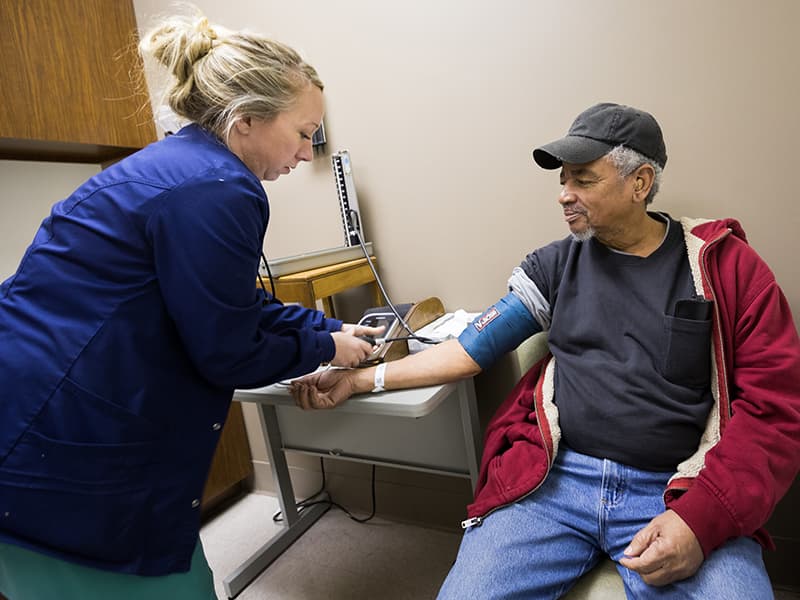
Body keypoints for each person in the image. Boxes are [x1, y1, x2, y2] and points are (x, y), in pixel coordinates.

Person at [291, 102, 800, 598]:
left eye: (583, 178)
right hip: (555, 484)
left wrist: (701, 518)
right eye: (562, 180)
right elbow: (470, 350)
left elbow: (774, 411)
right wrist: (359, 379)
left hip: (676, 487)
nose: (564, 194)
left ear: (640, 182)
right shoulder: (555, 266)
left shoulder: (725, 268)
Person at [0, 10, 383, 600]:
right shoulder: (218, 189)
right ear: (246, 119)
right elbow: (228, 352)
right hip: (60, 438)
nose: (307, 154)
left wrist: (328, 328)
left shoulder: (181, 167)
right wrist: (325, 345)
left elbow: (229, 306)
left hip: (40, 407)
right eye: (304, 133)